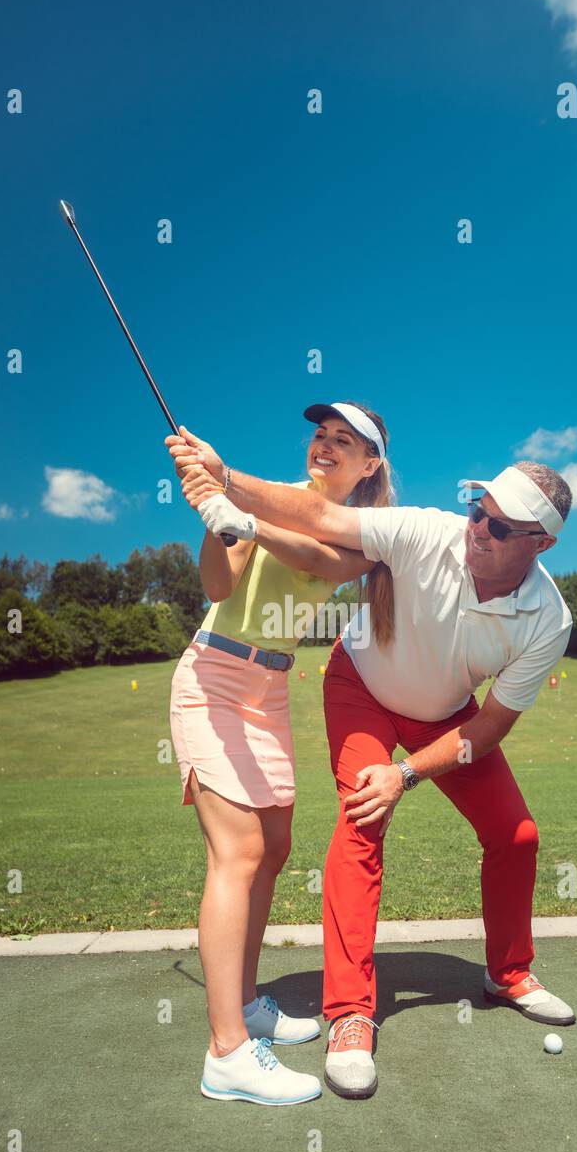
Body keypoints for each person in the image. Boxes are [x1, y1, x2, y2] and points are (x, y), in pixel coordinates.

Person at [170, 414, 575, 1101]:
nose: (478, 529)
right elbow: (316, 519)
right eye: (478, 510)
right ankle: (350, 1014)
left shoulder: (547, 619)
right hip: (358, 686)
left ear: (538, 546)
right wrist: (226, 484)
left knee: (517, 834)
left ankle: (507, 973)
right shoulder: (424, 530)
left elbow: (493, 726)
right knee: (361, 819)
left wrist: (409, 771)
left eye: (499, 528)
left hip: (446, 719)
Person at [168, 402, 397, 1105]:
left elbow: (322, 556)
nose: (324, 445)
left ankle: (244, 1001)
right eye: (320, 435)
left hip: (268, 688)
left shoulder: (364, 533)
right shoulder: (254, 496)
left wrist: (239, 504)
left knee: (273, 847)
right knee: (235, 853)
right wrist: (214, 516)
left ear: (369, 466)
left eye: (344, 441)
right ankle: (227, 1053)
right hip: (212, 676)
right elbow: (216, 585)